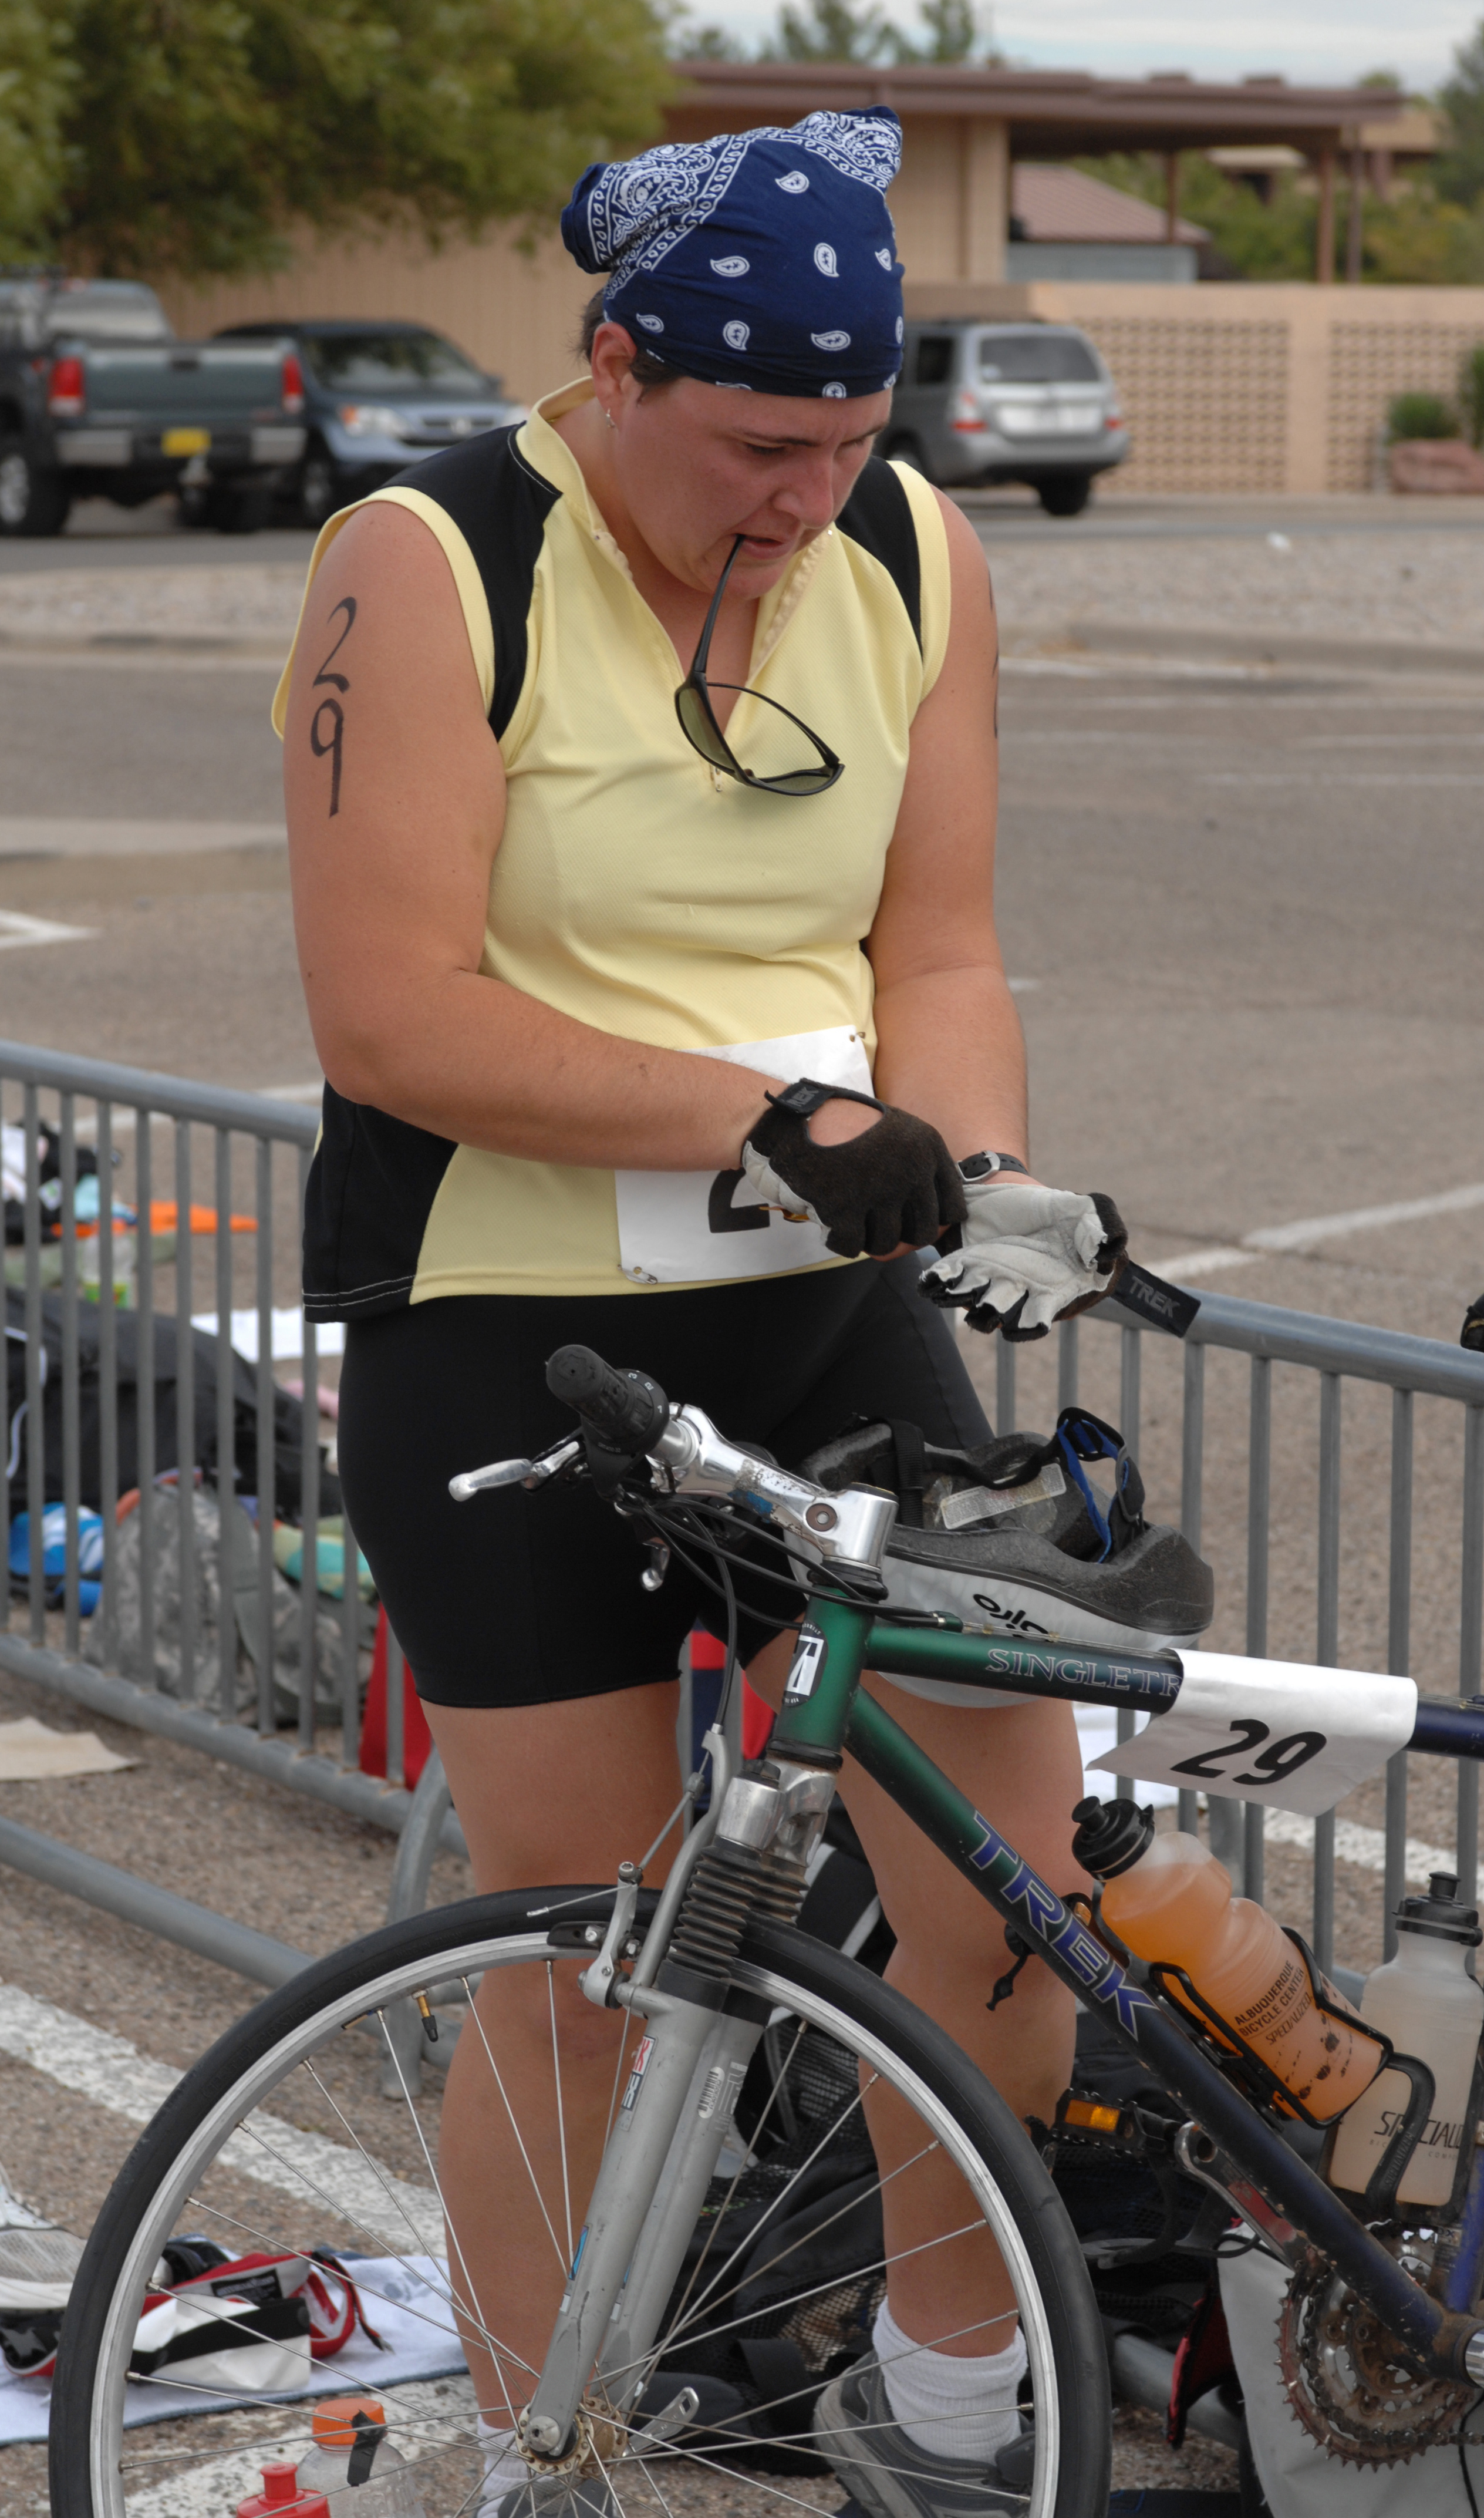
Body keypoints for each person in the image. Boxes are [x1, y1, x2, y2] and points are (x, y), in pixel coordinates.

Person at [276, 105, 1127, 2518]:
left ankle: (945, 2416)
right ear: (617, 366)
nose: (806, 499)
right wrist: (758, 1115)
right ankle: (542, 2458)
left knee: (1005, 1908)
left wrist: (976, 1173)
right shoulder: (427, 560)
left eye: (851, 441)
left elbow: (937, 946)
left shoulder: (911, 548)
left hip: (822, 1308)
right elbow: (390, 1016)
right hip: (505, 1318)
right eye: (759, 446)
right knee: (585, 1963)